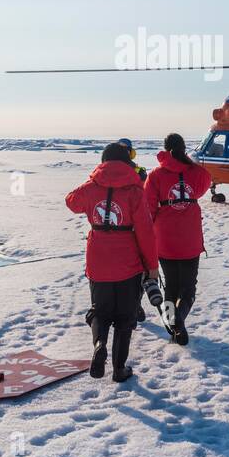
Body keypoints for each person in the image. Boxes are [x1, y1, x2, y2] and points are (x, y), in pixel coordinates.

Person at [65, 143, 159, 382]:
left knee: (100, 310)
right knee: (125, 318)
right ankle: (119, 369)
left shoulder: (91, 188)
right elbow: (146, 232)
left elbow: (71, 201)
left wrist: (93, 181)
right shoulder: (134, 191)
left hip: (97, 260)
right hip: (127, 262)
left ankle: (99, 345)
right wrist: (152, 266)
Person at [144, 133, 212, 345]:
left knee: (171, 287)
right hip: (190, 238)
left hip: (165, 239)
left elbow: (148, 208)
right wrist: (188, 162)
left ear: (165, 149)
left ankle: (175, 324)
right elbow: (204, 182)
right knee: (188, 287)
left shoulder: (155, 175)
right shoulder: (195, 172)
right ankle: (179, 320)